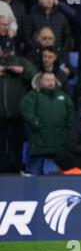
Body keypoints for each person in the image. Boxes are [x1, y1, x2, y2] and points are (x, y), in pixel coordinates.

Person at [20, 72, 75, 175]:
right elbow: (26, 111)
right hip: (39, 142)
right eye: (47, 80)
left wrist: (67, 129)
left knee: (56, 179)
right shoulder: (33, 96)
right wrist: (36, 124)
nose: (50, 82)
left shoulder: (63, 96)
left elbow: (71, 113)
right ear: (40, 81)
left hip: (59, 143)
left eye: (52, 80)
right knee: (35, 177)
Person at [0, 36, 37, 173]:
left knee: (17, 143)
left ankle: (17, 168)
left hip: (17, 113)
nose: (6, 53)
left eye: (9, 50)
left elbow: (36, 77)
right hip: (1, 114)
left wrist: (23, 71)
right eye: (4, 50)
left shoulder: (22, 62)